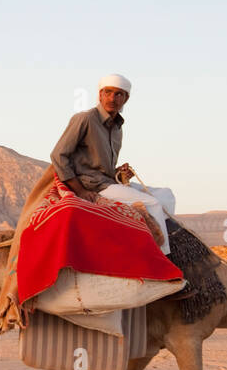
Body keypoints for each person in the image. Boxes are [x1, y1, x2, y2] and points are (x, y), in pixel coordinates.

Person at [49, 73, 176, 254]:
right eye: (107, 92)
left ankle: (147, 233)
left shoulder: (117, 128)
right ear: (100, 95)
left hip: (109, 181)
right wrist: (81, 190)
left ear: (126, 98)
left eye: (118, 94)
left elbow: (102, 167)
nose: (112, 98)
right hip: (94, 185)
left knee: (166, 195)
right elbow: (58, 155)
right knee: (153, 203)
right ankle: (162, 257)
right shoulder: (85, 119)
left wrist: (119, 172)